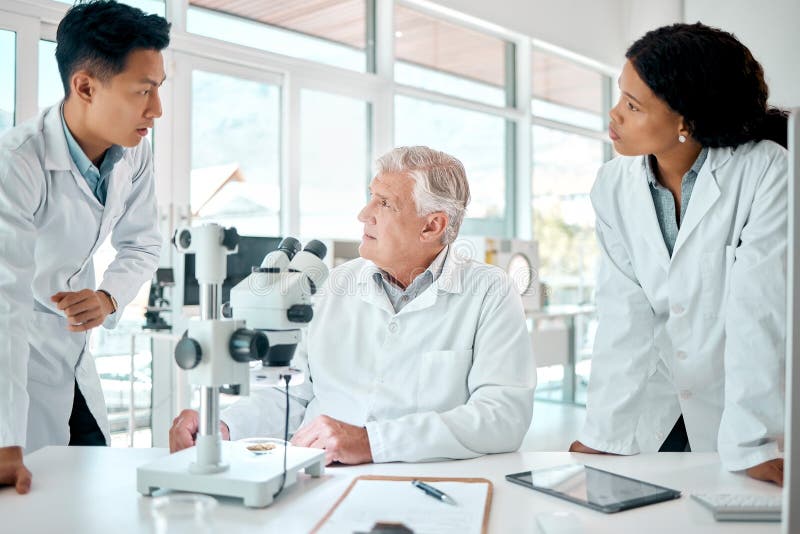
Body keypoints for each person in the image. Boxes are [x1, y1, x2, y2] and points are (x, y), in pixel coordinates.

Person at [170, 146, 536, 464]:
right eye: (370, 196)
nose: (364, 213)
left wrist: (372, 442)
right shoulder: (336, 284)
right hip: (324, 478)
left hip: (427, 483)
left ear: (432, 226)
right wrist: (224, 425)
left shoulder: (489, 291)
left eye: (384, 203)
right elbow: (293, 392)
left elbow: (503, 417)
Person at [570, 22, 787, 486]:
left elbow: (760, 312)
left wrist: (754, 443)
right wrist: (604, 431)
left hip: (748, 405)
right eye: (620, 95)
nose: (614, 113)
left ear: (685, 121)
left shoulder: (766, 171)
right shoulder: (612, 186)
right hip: (661, 406)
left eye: (633, 105)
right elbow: (623, 315)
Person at [0, 0, 170, 494]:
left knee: (91, 491)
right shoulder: (17, 163)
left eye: (158, 89)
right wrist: (5, 440)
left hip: (71, 355)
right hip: (15, 359)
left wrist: (107, 297)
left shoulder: (134, 153)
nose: (156, 110)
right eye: (143, 91)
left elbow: (143, 243)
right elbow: (5, 302)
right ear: (86, 86)